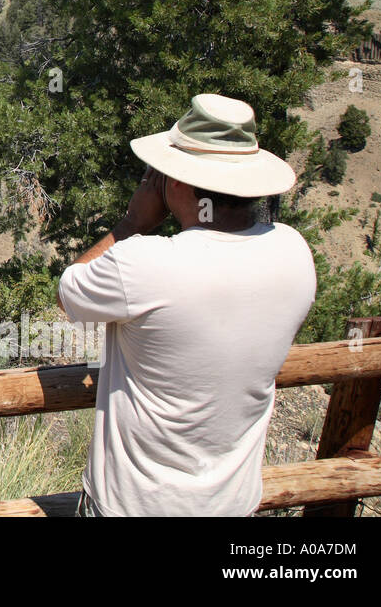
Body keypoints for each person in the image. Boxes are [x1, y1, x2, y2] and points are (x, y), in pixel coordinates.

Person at [58, 94, 316, 516]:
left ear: (176, 183)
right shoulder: (294, 251)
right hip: (233, 504)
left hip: (134, 505)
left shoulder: (144, 262)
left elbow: (68, 292)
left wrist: (132, 224)